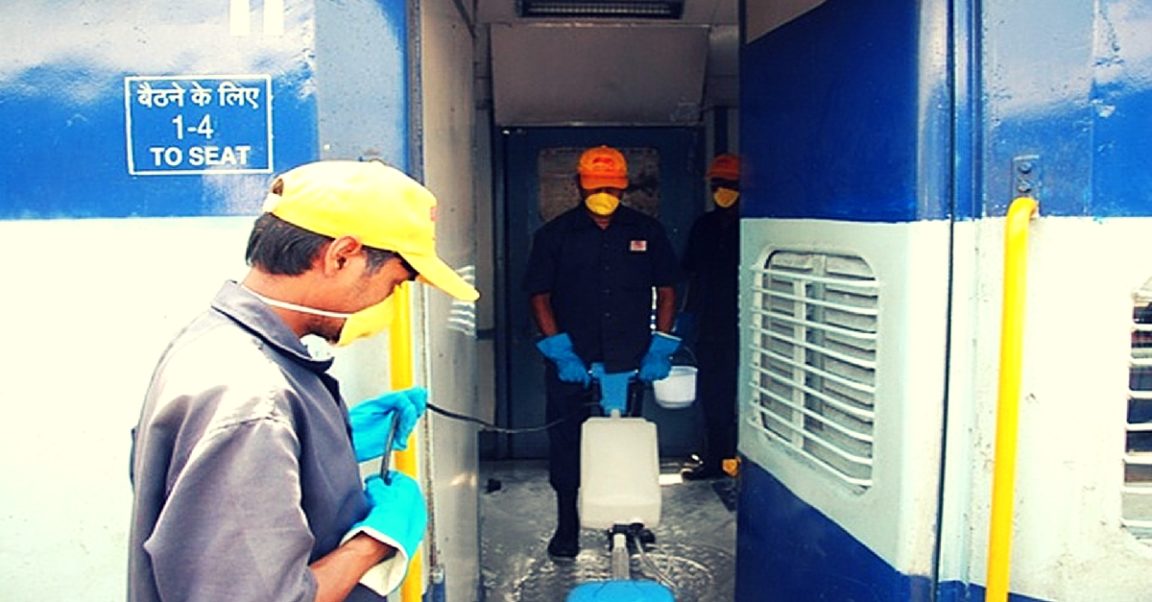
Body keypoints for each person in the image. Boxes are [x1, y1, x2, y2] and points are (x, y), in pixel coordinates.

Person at [128, 160, 480, 601]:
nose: (386, 302)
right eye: (394, 284)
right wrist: (377, 541)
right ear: (341, 255)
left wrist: (328, 447)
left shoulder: (214, 339)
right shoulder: (252, 399)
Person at [522, 145, 681, 560]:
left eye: (612, 187)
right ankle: (567, 524)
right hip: (572, 359)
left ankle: (626, 523)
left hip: (630, 361)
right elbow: (539, 296)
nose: (604, 195)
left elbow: (667, 290)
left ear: (624, 188)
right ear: (579, 185)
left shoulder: (647, 231)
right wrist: (561, 352)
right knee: (566, 443)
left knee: (625, 443)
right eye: (596, 187)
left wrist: (661, 346)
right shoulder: (554, 236)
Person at [679, 153, 741, 480]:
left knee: (747, 396)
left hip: (748, 325)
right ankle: (716, 459)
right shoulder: (704, 226)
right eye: (717, 185)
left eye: (729, 185)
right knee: (714, 396)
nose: (722, 191)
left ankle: (740, 460)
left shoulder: (752, 227)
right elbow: (690, 273)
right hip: (711, 325)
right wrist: (687, 316)